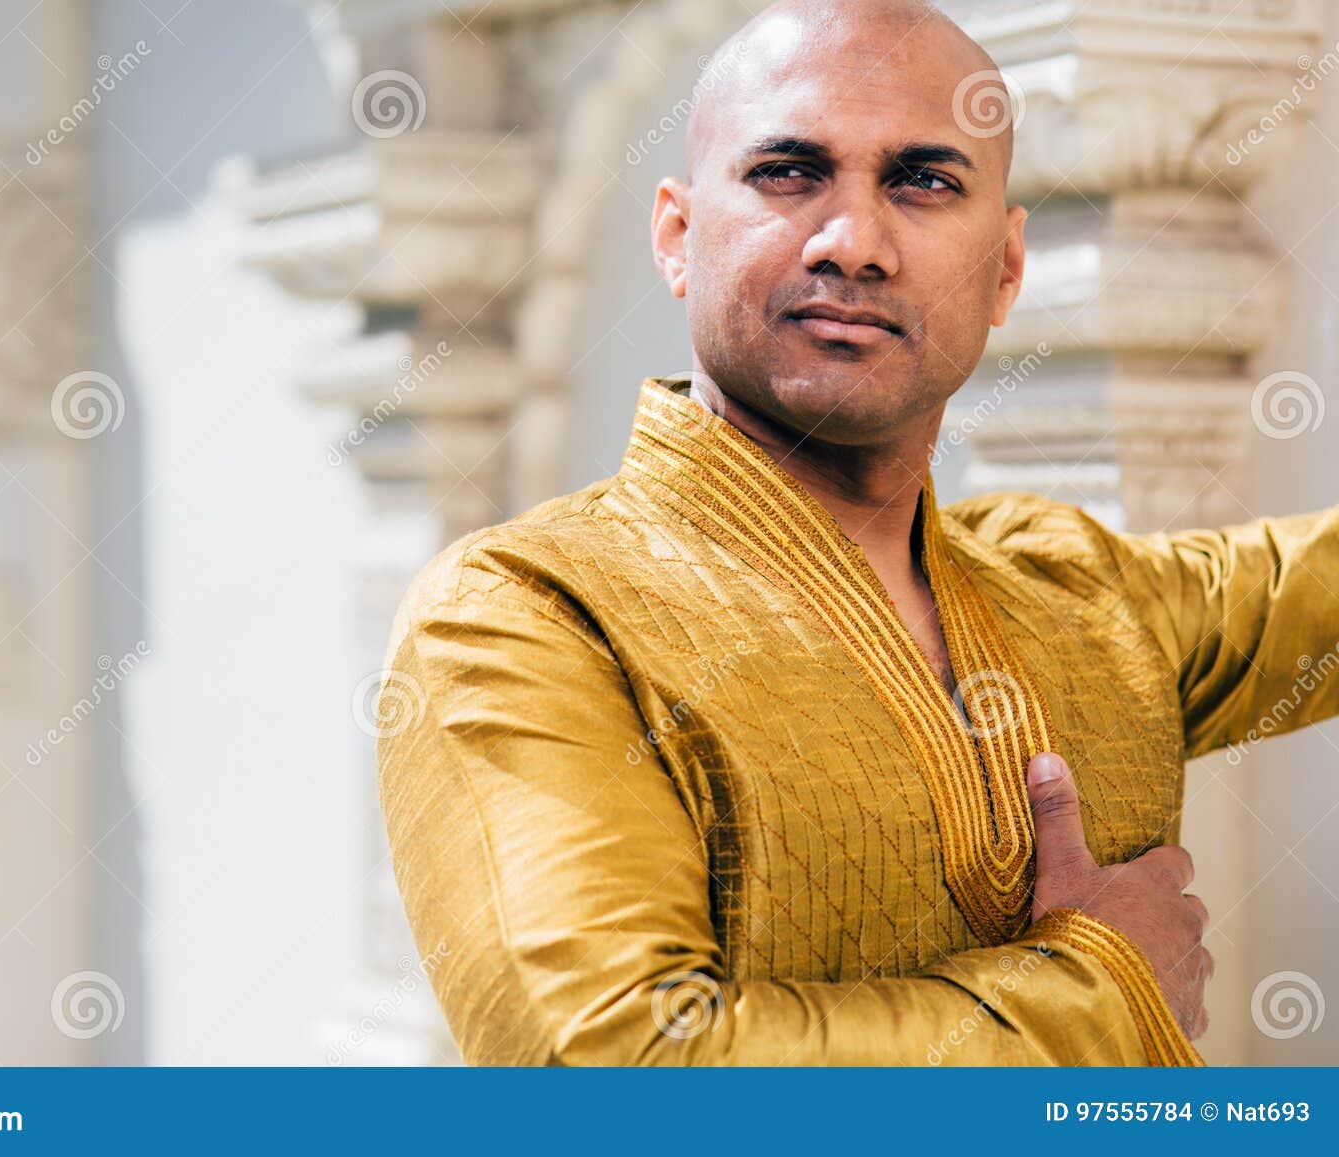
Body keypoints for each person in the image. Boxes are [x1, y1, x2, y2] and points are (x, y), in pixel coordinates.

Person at [373, 0, 1338, 1065]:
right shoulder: (527, 613)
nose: (853, 243)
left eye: (923, 180)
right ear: (678, 234)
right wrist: (1101, 985)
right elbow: (617, 1078)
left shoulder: (1073, 589)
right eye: (789, 171)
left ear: (1007, 268)